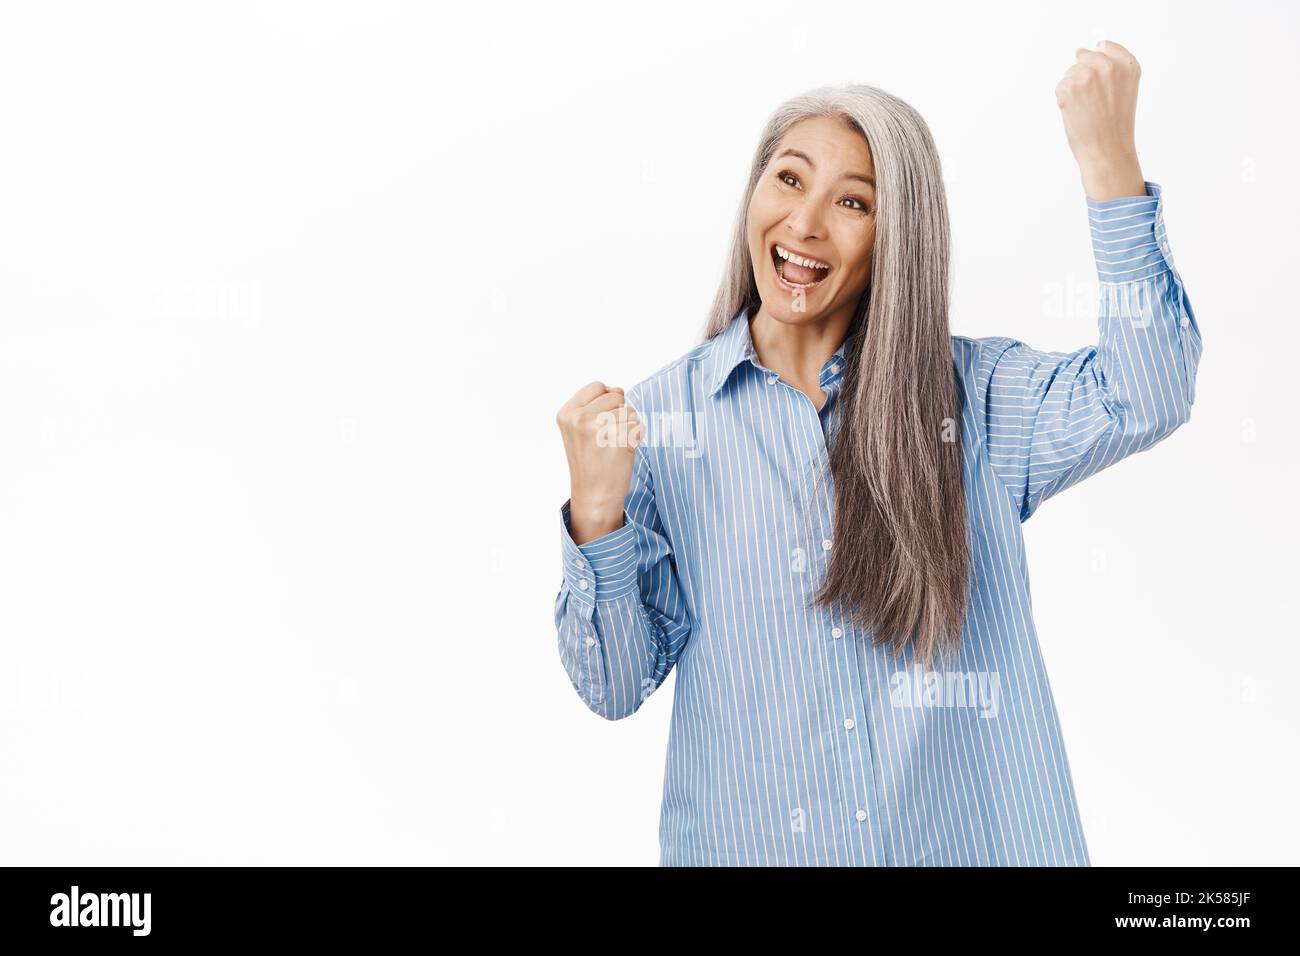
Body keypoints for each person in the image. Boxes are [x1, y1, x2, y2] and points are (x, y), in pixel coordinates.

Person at [552, 40, 1202, 866]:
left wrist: (1108, 164)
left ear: (898, 236)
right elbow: (612, 686)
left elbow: (1147, 392)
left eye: (853, 202)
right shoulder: (658, 424)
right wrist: (596, 515)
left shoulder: (977, 401)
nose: (804, 223)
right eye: (788, 179)